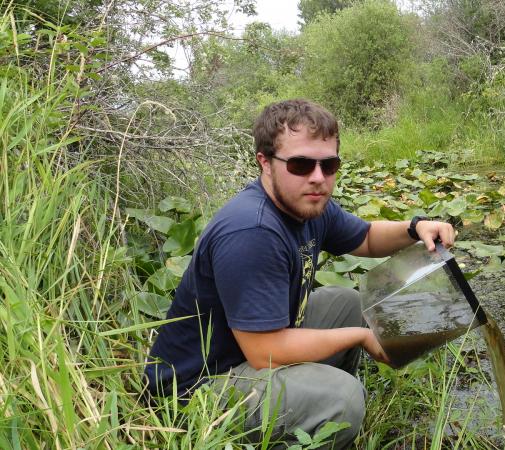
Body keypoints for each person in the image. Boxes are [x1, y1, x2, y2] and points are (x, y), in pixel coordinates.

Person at [144, 99, 455, 448]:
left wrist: (416, 228)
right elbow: (265, 351)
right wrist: (360, 337)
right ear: (265, 162)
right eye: (301, 164)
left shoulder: (308, 203)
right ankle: (318, 413)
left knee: (346, 303)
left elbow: (365, 238)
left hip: (246, 354)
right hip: (195, 391)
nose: (318, 178)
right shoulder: (252, 231)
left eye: (329, 164)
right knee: (343, 399)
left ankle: (309, 410)